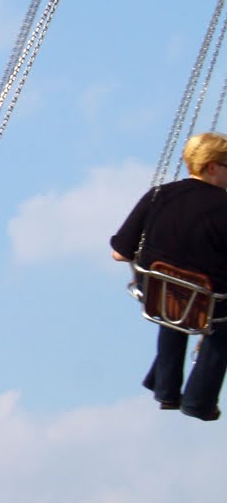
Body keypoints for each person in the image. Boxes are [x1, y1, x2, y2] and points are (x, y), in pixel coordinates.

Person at [111, 131, 227, 421]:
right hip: (210, 301)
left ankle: (166, 389)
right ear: (211, 167)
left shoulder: (158, 194)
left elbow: (119, 253)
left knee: (173, 299)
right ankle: (199, 400)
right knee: (217, 322)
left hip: (157, 292)